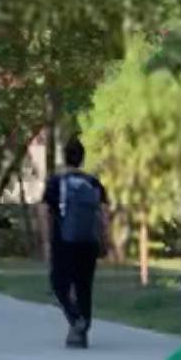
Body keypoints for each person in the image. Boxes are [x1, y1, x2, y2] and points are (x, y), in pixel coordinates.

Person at [39, 136, 109, 349]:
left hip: (63, 241)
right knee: (84, 285)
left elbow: (44, 212)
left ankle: (76, 319)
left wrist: (45, 241)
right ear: (82, 159)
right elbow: (105, 213)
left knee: (59, 282)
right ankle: (82, 329)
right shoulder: (93, 183)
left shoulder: (56, 181)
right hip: (89, 242)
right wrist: (105, 240)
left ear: (64, 157)